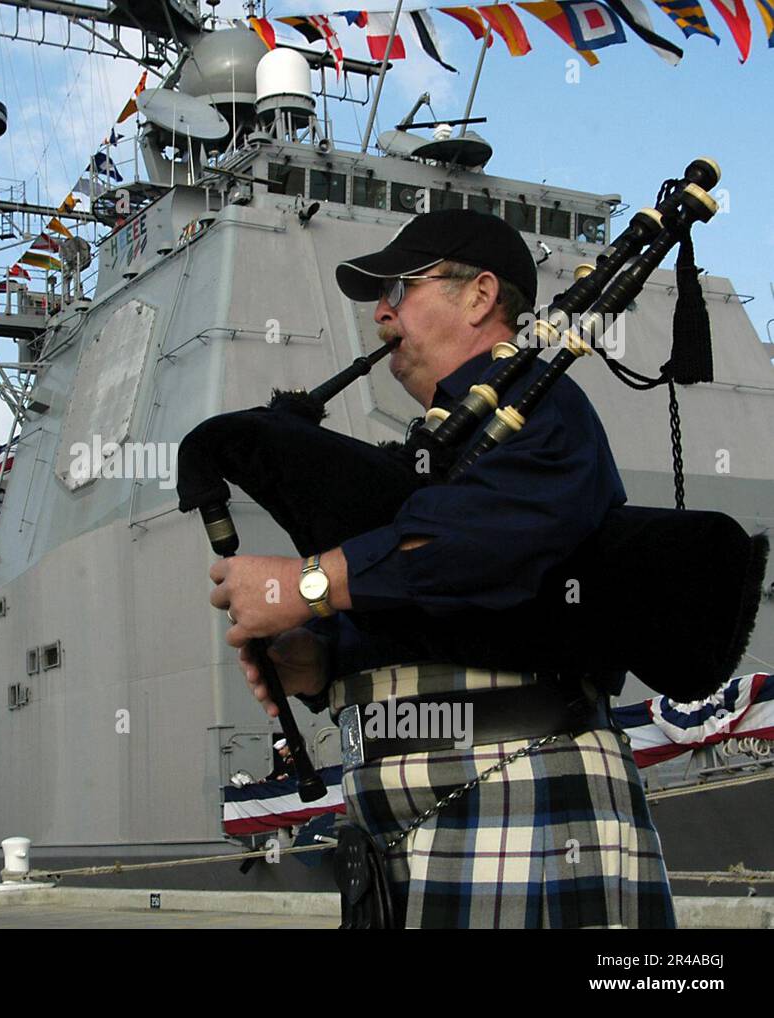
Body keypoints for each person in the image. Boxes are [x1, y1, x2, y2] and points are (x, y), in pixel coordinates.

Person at [209, 209, 675, 929]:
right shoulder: (441, 447)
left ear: (480, 296)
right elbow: (456, 613)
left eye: (397, 289)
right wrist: (318, 663)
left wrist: (304, 585)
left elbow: (483, 549)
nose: (380, 316)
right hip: (414, 815)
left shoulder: (545, 409)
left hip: (519, 796)